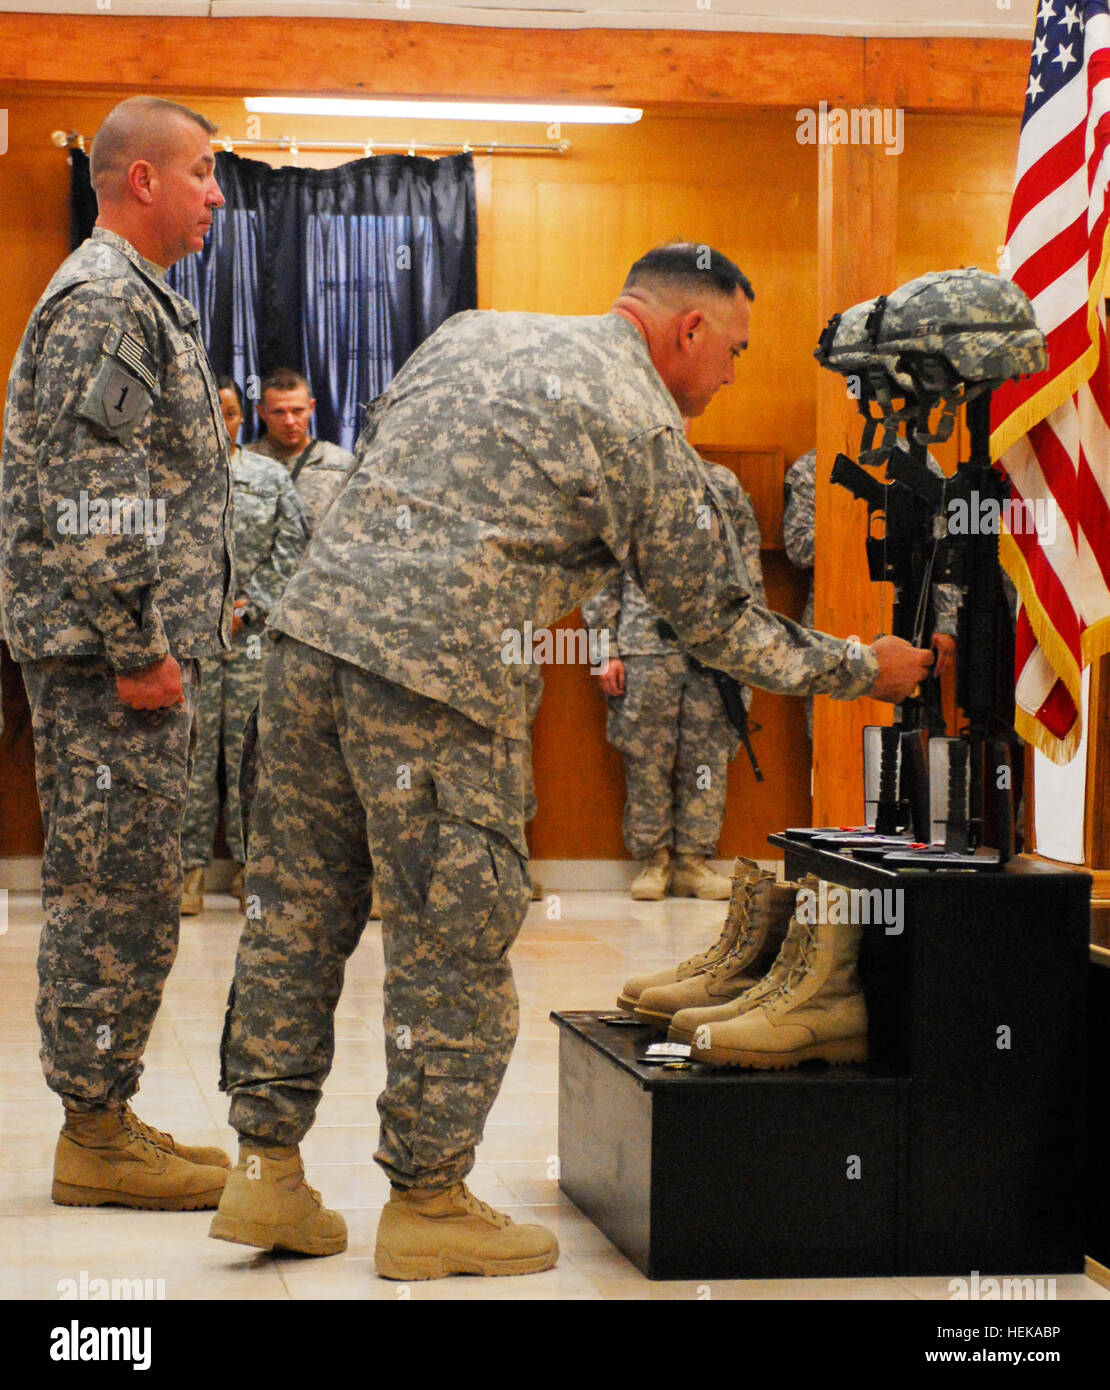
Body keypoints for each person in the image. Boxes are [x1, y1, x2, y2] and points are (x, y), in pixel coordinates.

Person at [209, 242, 932, 1279]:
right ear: (686, 329)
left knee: (295, 914)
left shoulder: (470, 332)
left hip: (304, 644)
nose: (732, 374)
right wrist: (864, 666)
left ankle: (265, 1168)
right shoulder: (641, 422)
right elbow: (719, 623)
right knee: (452, 940)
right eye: (733, 350)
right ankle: (428, 1202)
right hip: (437, 682)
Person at [0, 96, 235, 1208]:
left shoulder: (136, 297)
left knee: (130, 886)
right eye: (203, 173)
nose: (215, 196)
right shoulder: (106, 300)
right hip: (109, 666)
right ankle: (93, 1135)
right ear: (142, 180)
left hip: (116, 658)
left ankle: (104, 1111)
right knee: (111, 895)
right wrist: (139, 643)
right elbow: (96, 491)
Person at [582, 463, 765, 901]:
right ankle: (654, 861)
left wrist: (748, 647)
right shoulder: (627, 484)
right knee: (646, 757)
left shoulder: (721, 484)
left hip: (713, 648)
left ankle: (692, 862)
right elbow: (601, 574)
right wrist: (603, 651)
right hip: (644, 647)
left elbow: (749, 570)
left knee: (706, 759)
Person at [180, 378, 309, 915]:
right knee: (190, 752)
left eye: (230, 412)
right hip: (192, 639)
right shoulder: (177, 477)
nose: (222, 420)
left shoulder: (270, 476)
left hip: (252, 640)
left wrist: (250, 604)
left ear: (241, 417)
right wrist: (200, 607)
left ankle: (250, 868)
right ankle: (187, 872)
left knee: (250, 754)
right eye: (212, 410)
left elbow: (293, 545)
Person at [783, 446, 959, 736]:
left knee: (905, 735)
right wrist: (852, 528)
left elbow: (945, 547)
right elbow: (798, 549)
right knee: (834, 733)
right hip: (834, 623)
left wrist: (946, 622)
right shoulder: (813, 466)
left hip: (908, 615)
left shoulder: (918, 460)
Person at [252, 368, 355, 534]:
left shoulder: (342, 465)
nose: (289, 421)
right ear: (261, 412)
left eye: (297, 411)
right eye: (279, 412)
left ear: (311, 407)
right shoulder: (242, 464)